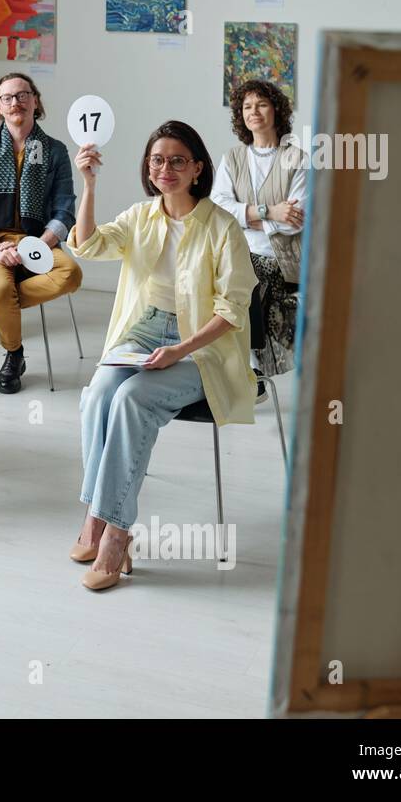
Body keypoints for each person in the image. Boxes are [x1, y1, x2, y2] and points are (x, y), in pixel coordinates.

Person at [67, 121, 257, 591]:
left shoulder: (222, 226)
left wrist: (181, 350)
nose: (165, 168)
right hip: (146, 328)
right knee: (98, 394)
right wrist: (89, 184)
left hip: (204, 344)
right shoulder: (140, 216)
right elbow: (88, 244)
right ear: (147, 169)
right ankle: (97, 515)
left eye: (177, 160)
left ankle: (115, 530)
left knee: (133, 400)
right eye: (157, 160)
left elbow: (232, 310)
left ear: (197, 168)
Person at [0, 72, 82, 393]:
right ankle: (14, 355)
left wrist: (37, 246)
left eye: (22, 95)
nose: (15, 103)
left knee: (71, 274)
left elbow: (64, 209)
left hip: (35, 240)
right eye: (7, 98)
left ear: (35, 100)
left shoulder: (53, 151)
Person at [210, 79, 307, 382]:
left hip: (280, 258)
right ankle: (232, 364)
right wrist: (268, 211)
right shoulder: (233, 158)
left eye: (261, 104)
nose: (254, 111)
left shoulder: (299, 159)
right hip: (239, 250)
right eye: (247, 106)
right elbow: (219, 208)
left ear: (276, 110)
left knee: (243, 279)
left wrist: (245, 215)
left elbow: (294, 220)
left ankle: (247, 366)